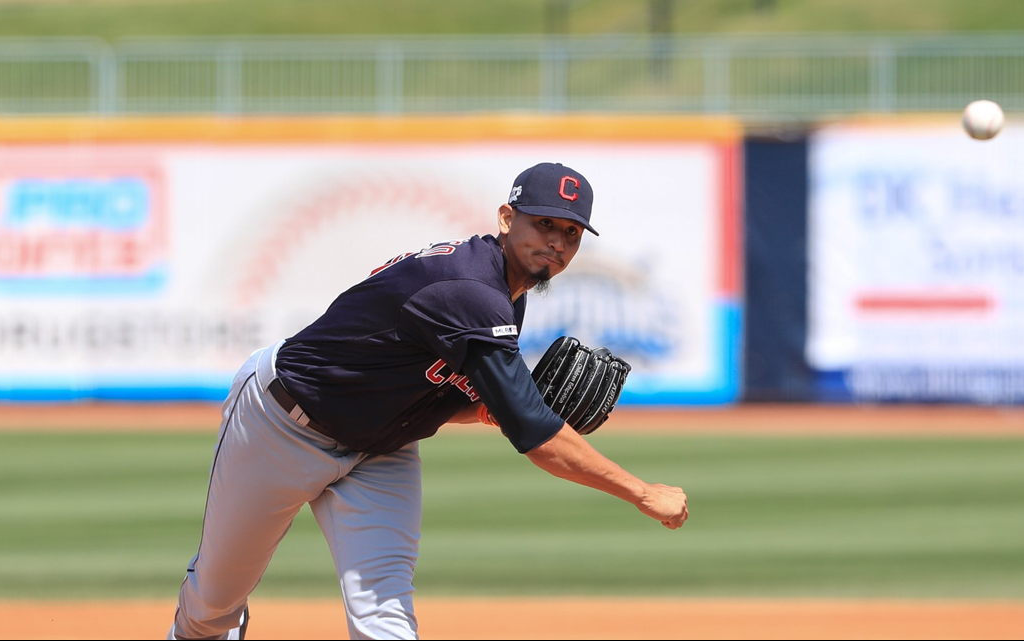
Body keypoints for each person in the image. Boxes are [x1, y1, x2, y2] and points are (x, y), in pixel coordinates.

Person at [168, 162, 689, 640]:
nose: (556, 241)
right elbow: (536, 435)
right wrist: (642, 492)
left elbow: (437, 390)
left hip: (381, 450)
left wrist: (484, 409)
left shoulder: (508, 294)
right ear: (507, 219)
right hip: (282, 422)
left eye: (571, 233)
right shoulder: (471, 290)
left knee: (385, 613)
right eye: (544, 224)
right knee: (212, 606)